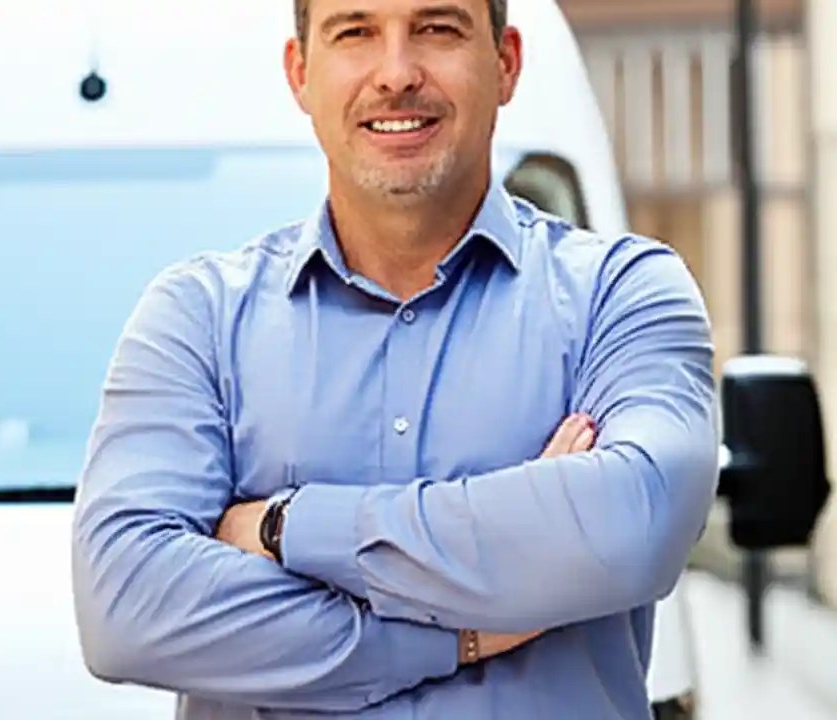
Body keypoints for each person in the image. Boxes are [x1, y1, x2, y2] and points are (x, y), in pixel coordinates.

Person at [70, 0, 719, 716]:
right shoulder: (198, 319)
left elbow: (633, 525)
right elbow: (124, 606)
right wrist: (459, 632)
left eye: (438, 29)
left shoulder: (621, 295)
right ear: (300, 74)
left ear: (505, 63)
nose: (397, 73)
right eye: (356, 32)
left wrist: (283, 527)